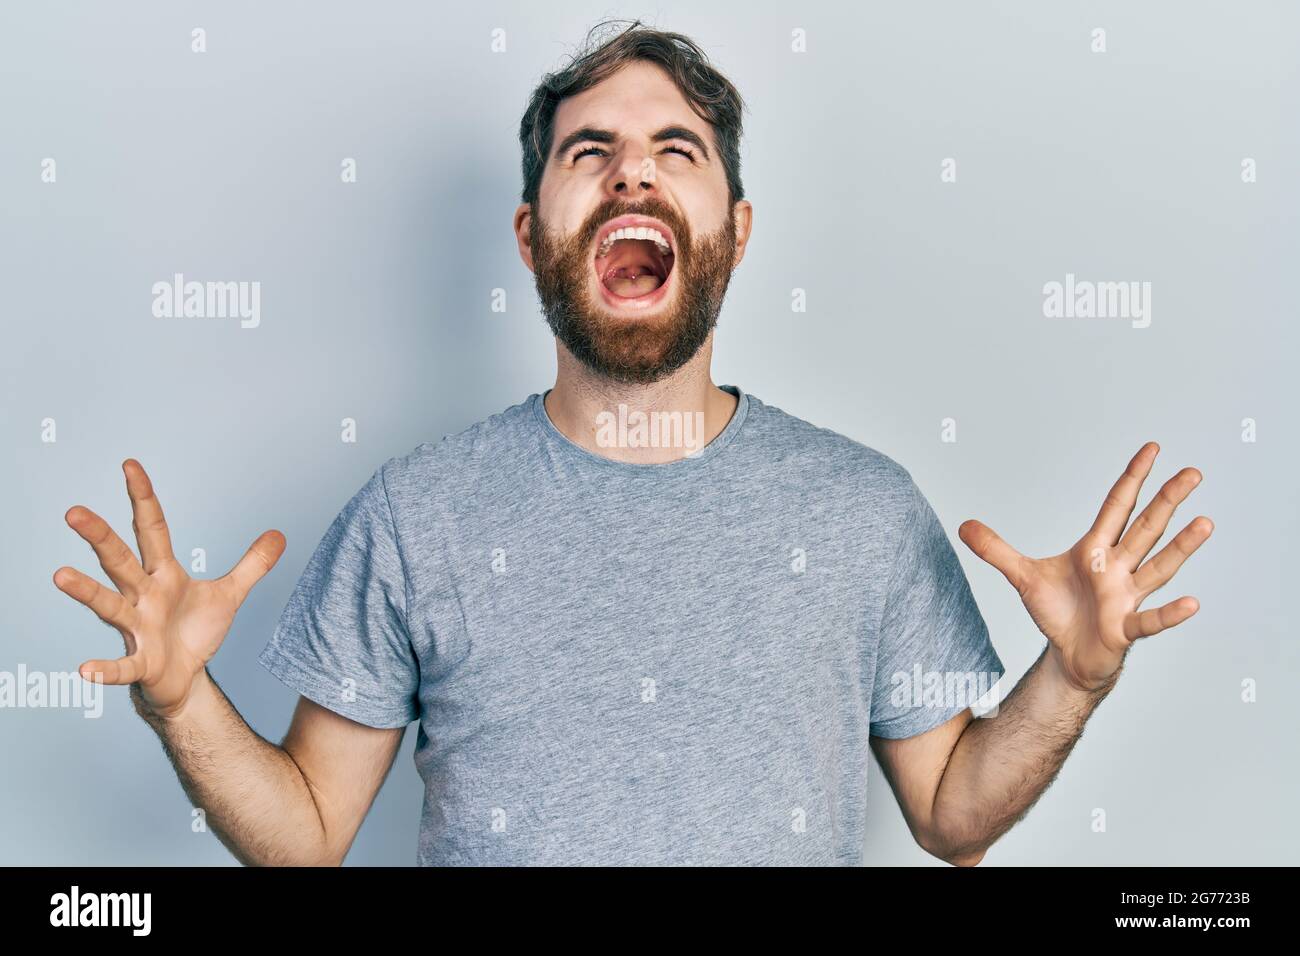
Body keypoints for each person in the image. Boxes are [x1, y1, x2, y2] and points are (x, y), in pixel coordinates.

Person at [53, 21, 1212, 866]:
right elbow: (305, 834)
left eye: (677, 149)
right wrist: (181, 699)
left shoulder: (861, 511)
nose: (631, 171)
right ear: (528, 230)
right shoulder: (419, 513)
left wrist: (1072, 675)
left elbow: (953, 815)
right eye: (587, 151)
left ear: (736, 230)